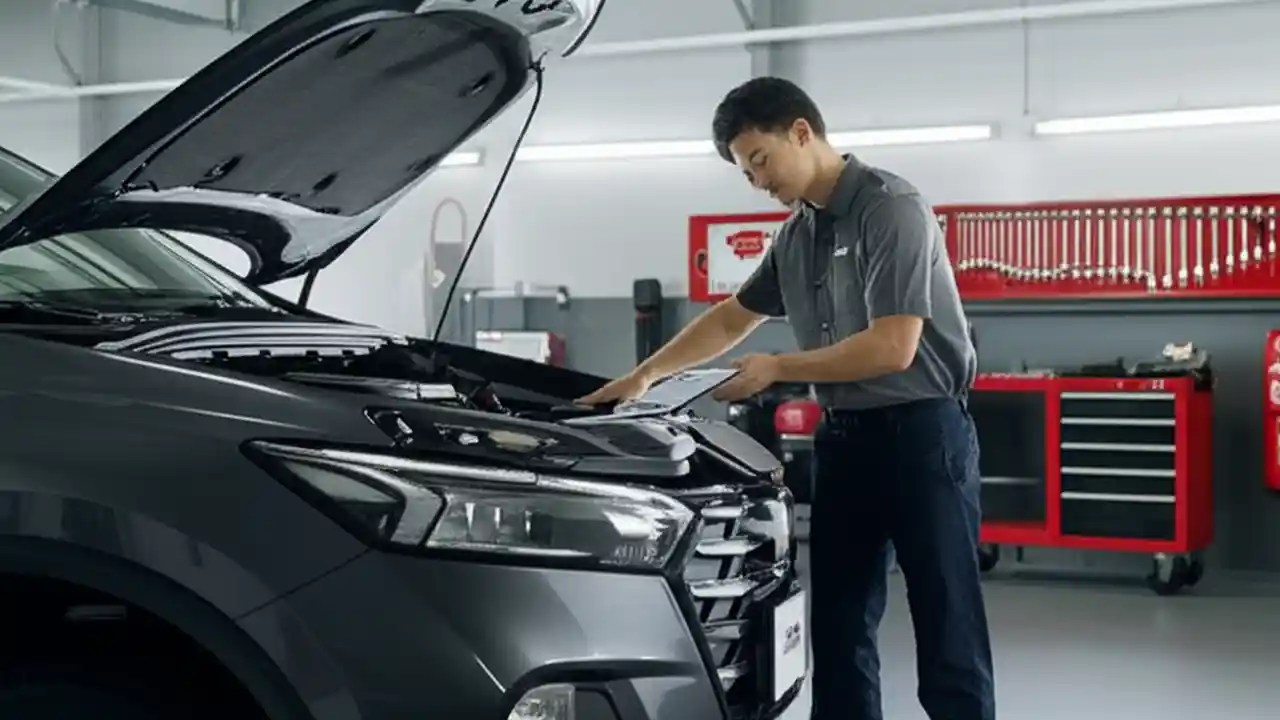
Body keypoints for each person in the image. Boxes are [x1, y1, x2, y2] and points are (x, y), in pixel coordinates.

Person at [576, 76, 996, 720]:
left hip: (923, 436)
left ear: (802, 132)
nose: (757, 182)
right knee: (837, 624)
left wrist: (778, 367)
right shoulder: (796, 235)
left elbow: (893, 348)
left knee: (948, 624)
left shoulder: (892, 209)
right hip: (848, 440)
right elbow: (729, 319)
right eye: (745, 172)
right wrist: (646, 376)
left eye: (760, 161)